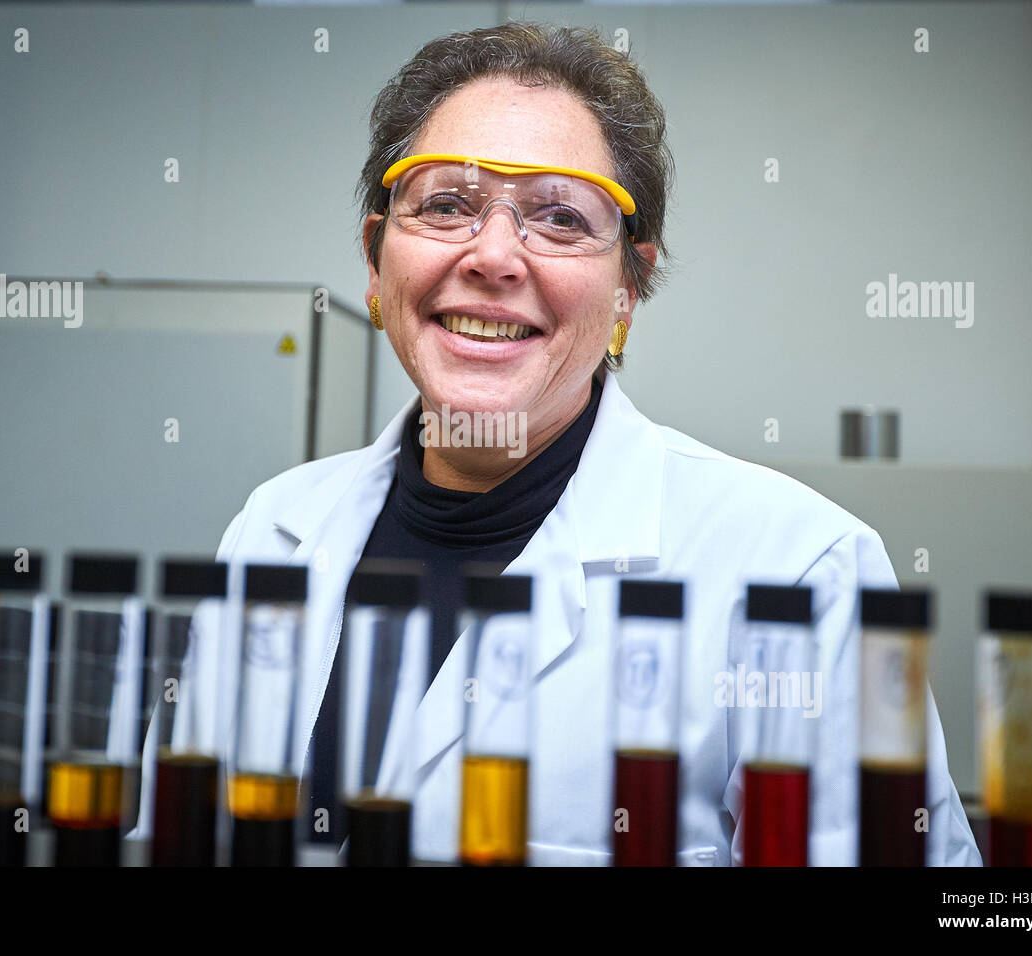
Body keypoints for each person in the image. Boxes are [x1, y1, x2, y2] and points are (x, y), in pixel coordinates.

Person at [140, 21, 980, 866]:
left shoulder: (803, 569)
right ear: (374, 261)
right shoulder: (272, 527)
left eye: (560, 217)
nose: (495, 255)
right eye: (445, 205)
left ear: (627, 291)